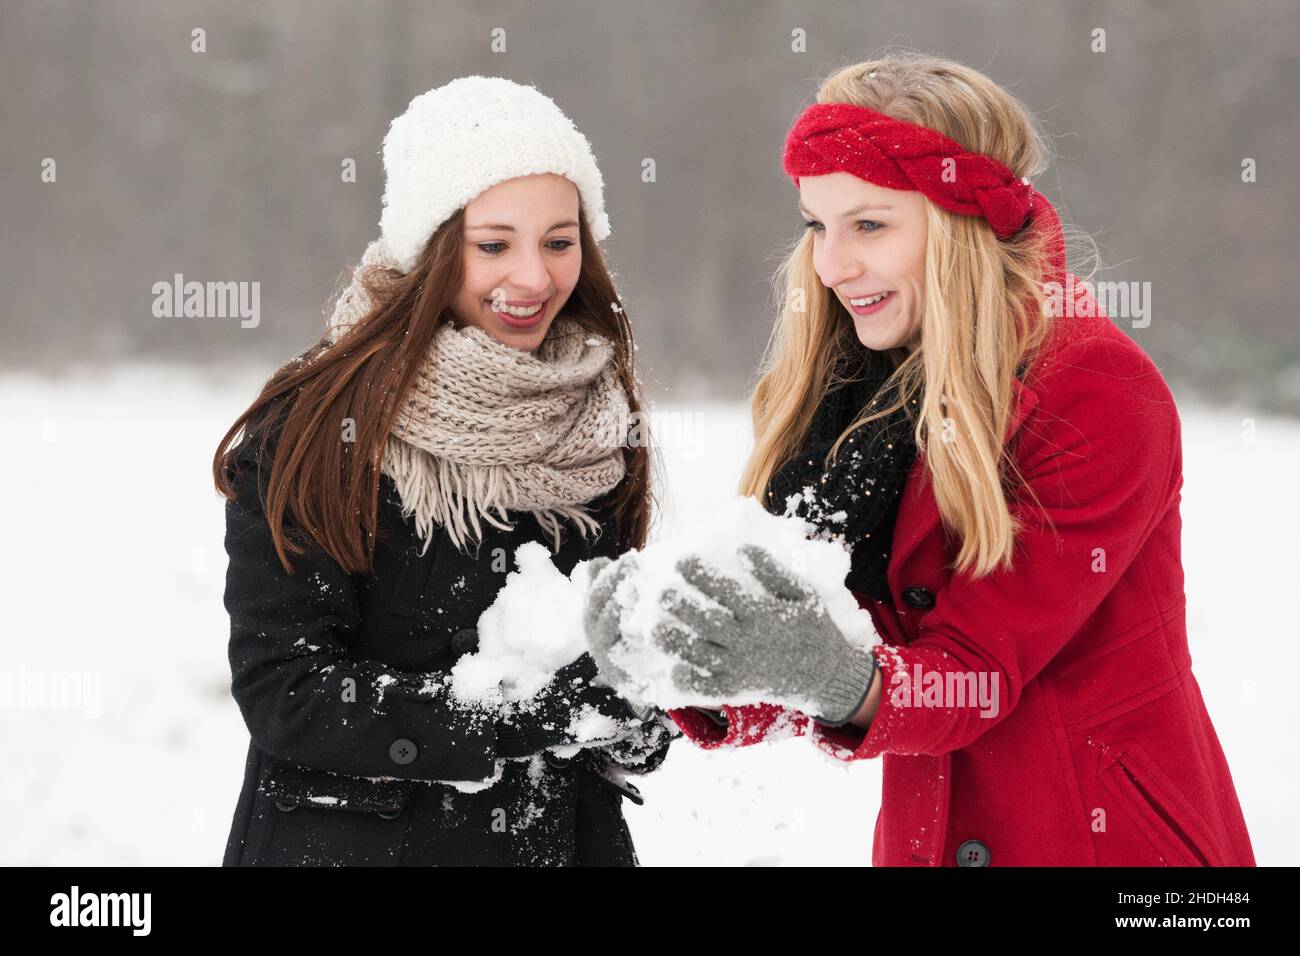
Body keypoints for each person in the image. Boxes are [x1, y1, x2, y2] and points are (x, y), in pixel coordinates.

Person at [586, 53, 1255, 867]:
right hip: (932, 837)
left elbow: (973, 674)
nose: (832, 265)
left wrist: (827, 674)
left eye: (869, 225)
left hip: (1100, 840)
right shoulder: (863, 384)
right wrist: (686, 660)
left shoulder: (1096, 387)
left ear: (960, 220)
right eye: (816, 225)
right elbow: (828, 631)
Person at [214, 75, 673, 867]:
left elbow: (606, 651)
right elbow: (286, 691)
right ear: (430, 246)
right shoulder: (320, 423)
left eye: (559, 242)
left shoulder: (595, 415)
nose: (533, 278)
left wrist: (638, 714)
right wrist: (515, 716)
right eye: (493, 243)